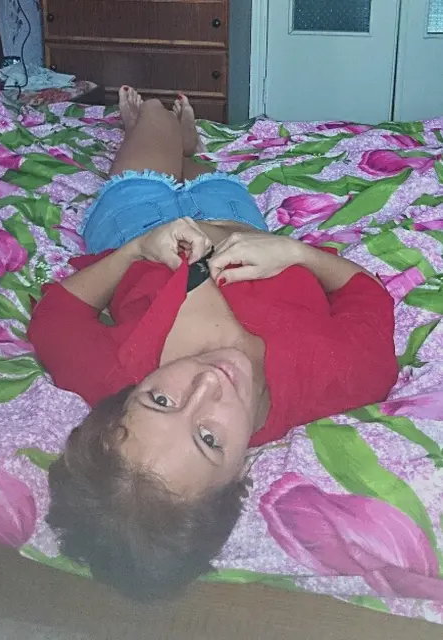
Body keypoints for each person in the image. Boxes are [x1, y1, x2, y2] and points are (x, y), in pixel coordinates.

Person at [28, 87, 398, 602]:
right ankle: (183, 142)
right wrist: (295, 253)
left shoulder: (113, 378)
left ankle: (152, 124)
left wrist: (135, 250)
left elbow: (55, 319)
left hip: (136, 225)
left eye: (160, 400)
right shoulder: (344, 376)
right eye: (208, 438)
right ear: (240, 474)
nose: (207, 383)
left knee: (153, 114)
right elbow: (367, 296)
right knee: (199, 167)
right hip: (240, 222)